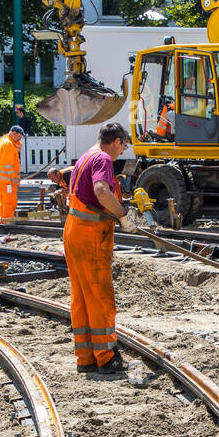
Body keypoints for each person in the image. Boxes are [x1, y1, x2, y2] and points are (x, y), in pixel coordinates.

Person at [63, 124, 135, 375]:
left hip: (74, 230)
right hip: (91, 234)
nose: (122, 152)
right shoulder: (103, 158)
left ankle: (85, 357)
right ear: (116, 141)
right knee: (100, 296)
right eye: (123, 146)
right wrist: (123, 216)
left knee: (81, 296)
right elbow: (102, 191)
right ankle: (105, 357)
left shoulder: (85, 156)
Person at [0, 125, 24, 219]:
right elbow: (8, 165)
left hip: (3, 180)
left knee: (3, 202)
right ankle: (8, 221)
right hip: (8, 181)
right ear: (14, 133)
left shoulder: (4, 141)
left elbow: (18, 147)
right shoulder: (8, 144)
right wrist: (14, 177)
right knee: (9, 202)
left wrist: (18, 141)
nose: (20, 140)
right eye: (19, 137)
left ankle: (4, 220)